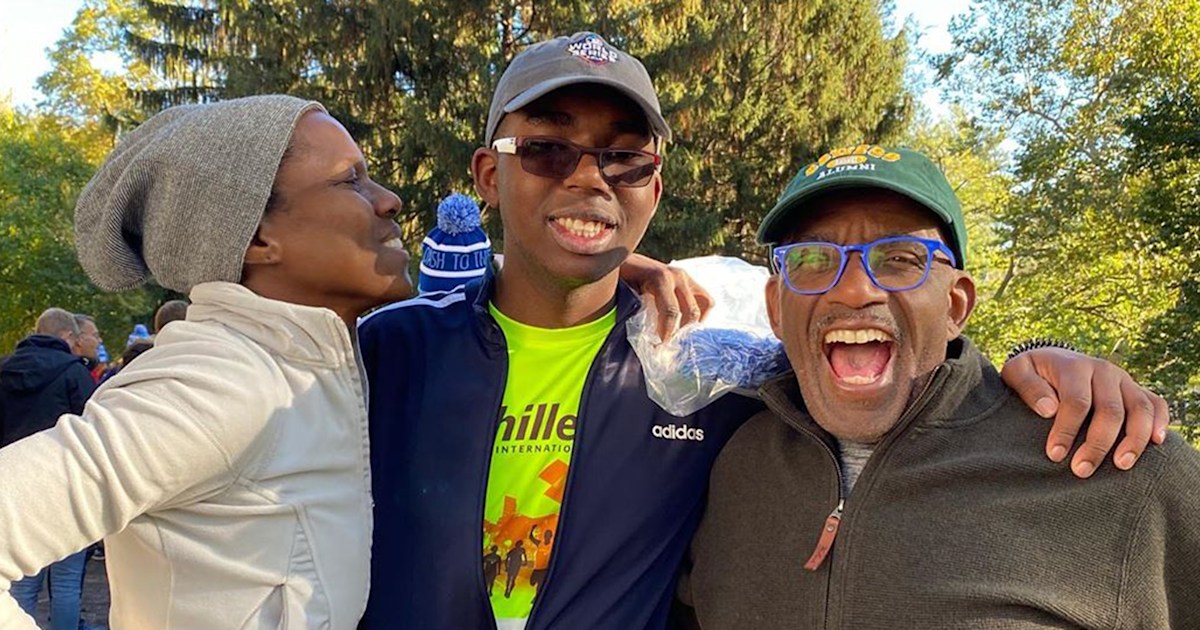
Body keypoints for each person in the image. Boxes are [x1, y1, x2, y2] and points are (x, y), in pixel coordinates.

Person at [357, 33, 1167, 630]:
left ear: (652, 190)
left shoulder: (709, 377)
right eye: (546, 150)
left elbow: (899, 371)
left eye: (625, 159)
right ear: (489, 174)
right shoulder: (386, 354)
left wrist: (1037, 364)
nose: (589, 178)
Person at [677, 145, 1199, 628]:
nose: (855, 290)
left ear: (955, 305)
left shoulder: (1127, 474)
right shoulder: (732, 465)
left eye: (900, 259)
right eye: (813, 260)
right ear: (775, 307)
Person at [0, 94, 412, 629]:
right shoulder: (222, 381)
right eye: (349, 181)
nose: (389, 201)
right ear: (257, 237)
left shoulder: (306, 365)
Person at [0, 307, 96, 630]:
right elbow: (92, 434)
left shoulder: (4, 370)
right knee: (66, 582)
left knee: (22, 585)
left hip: (13, 486)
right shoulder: (75, 374)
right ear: (67, 336)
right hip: (66, 489)